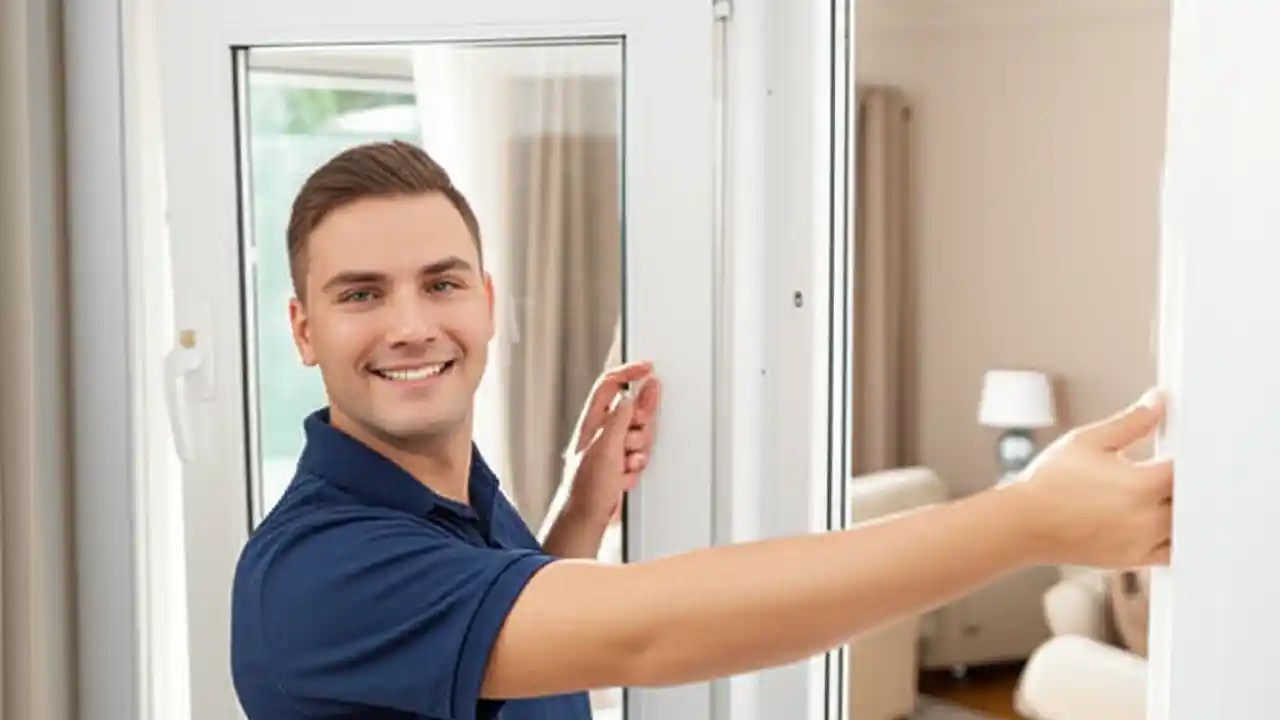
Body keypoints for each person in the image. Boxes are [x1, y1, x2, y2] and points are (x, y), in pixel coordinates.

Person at [230, 140, 1174, 720]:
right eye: (362, 295)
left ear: (486, 301)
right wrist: (1029, 520)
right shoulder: (321, 572)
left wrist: (577, 513)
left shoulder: (457, 500)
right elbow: (650, 634)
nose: (411, 325)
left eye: (440, 283)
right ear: (305, 330)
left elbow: (504, 654)